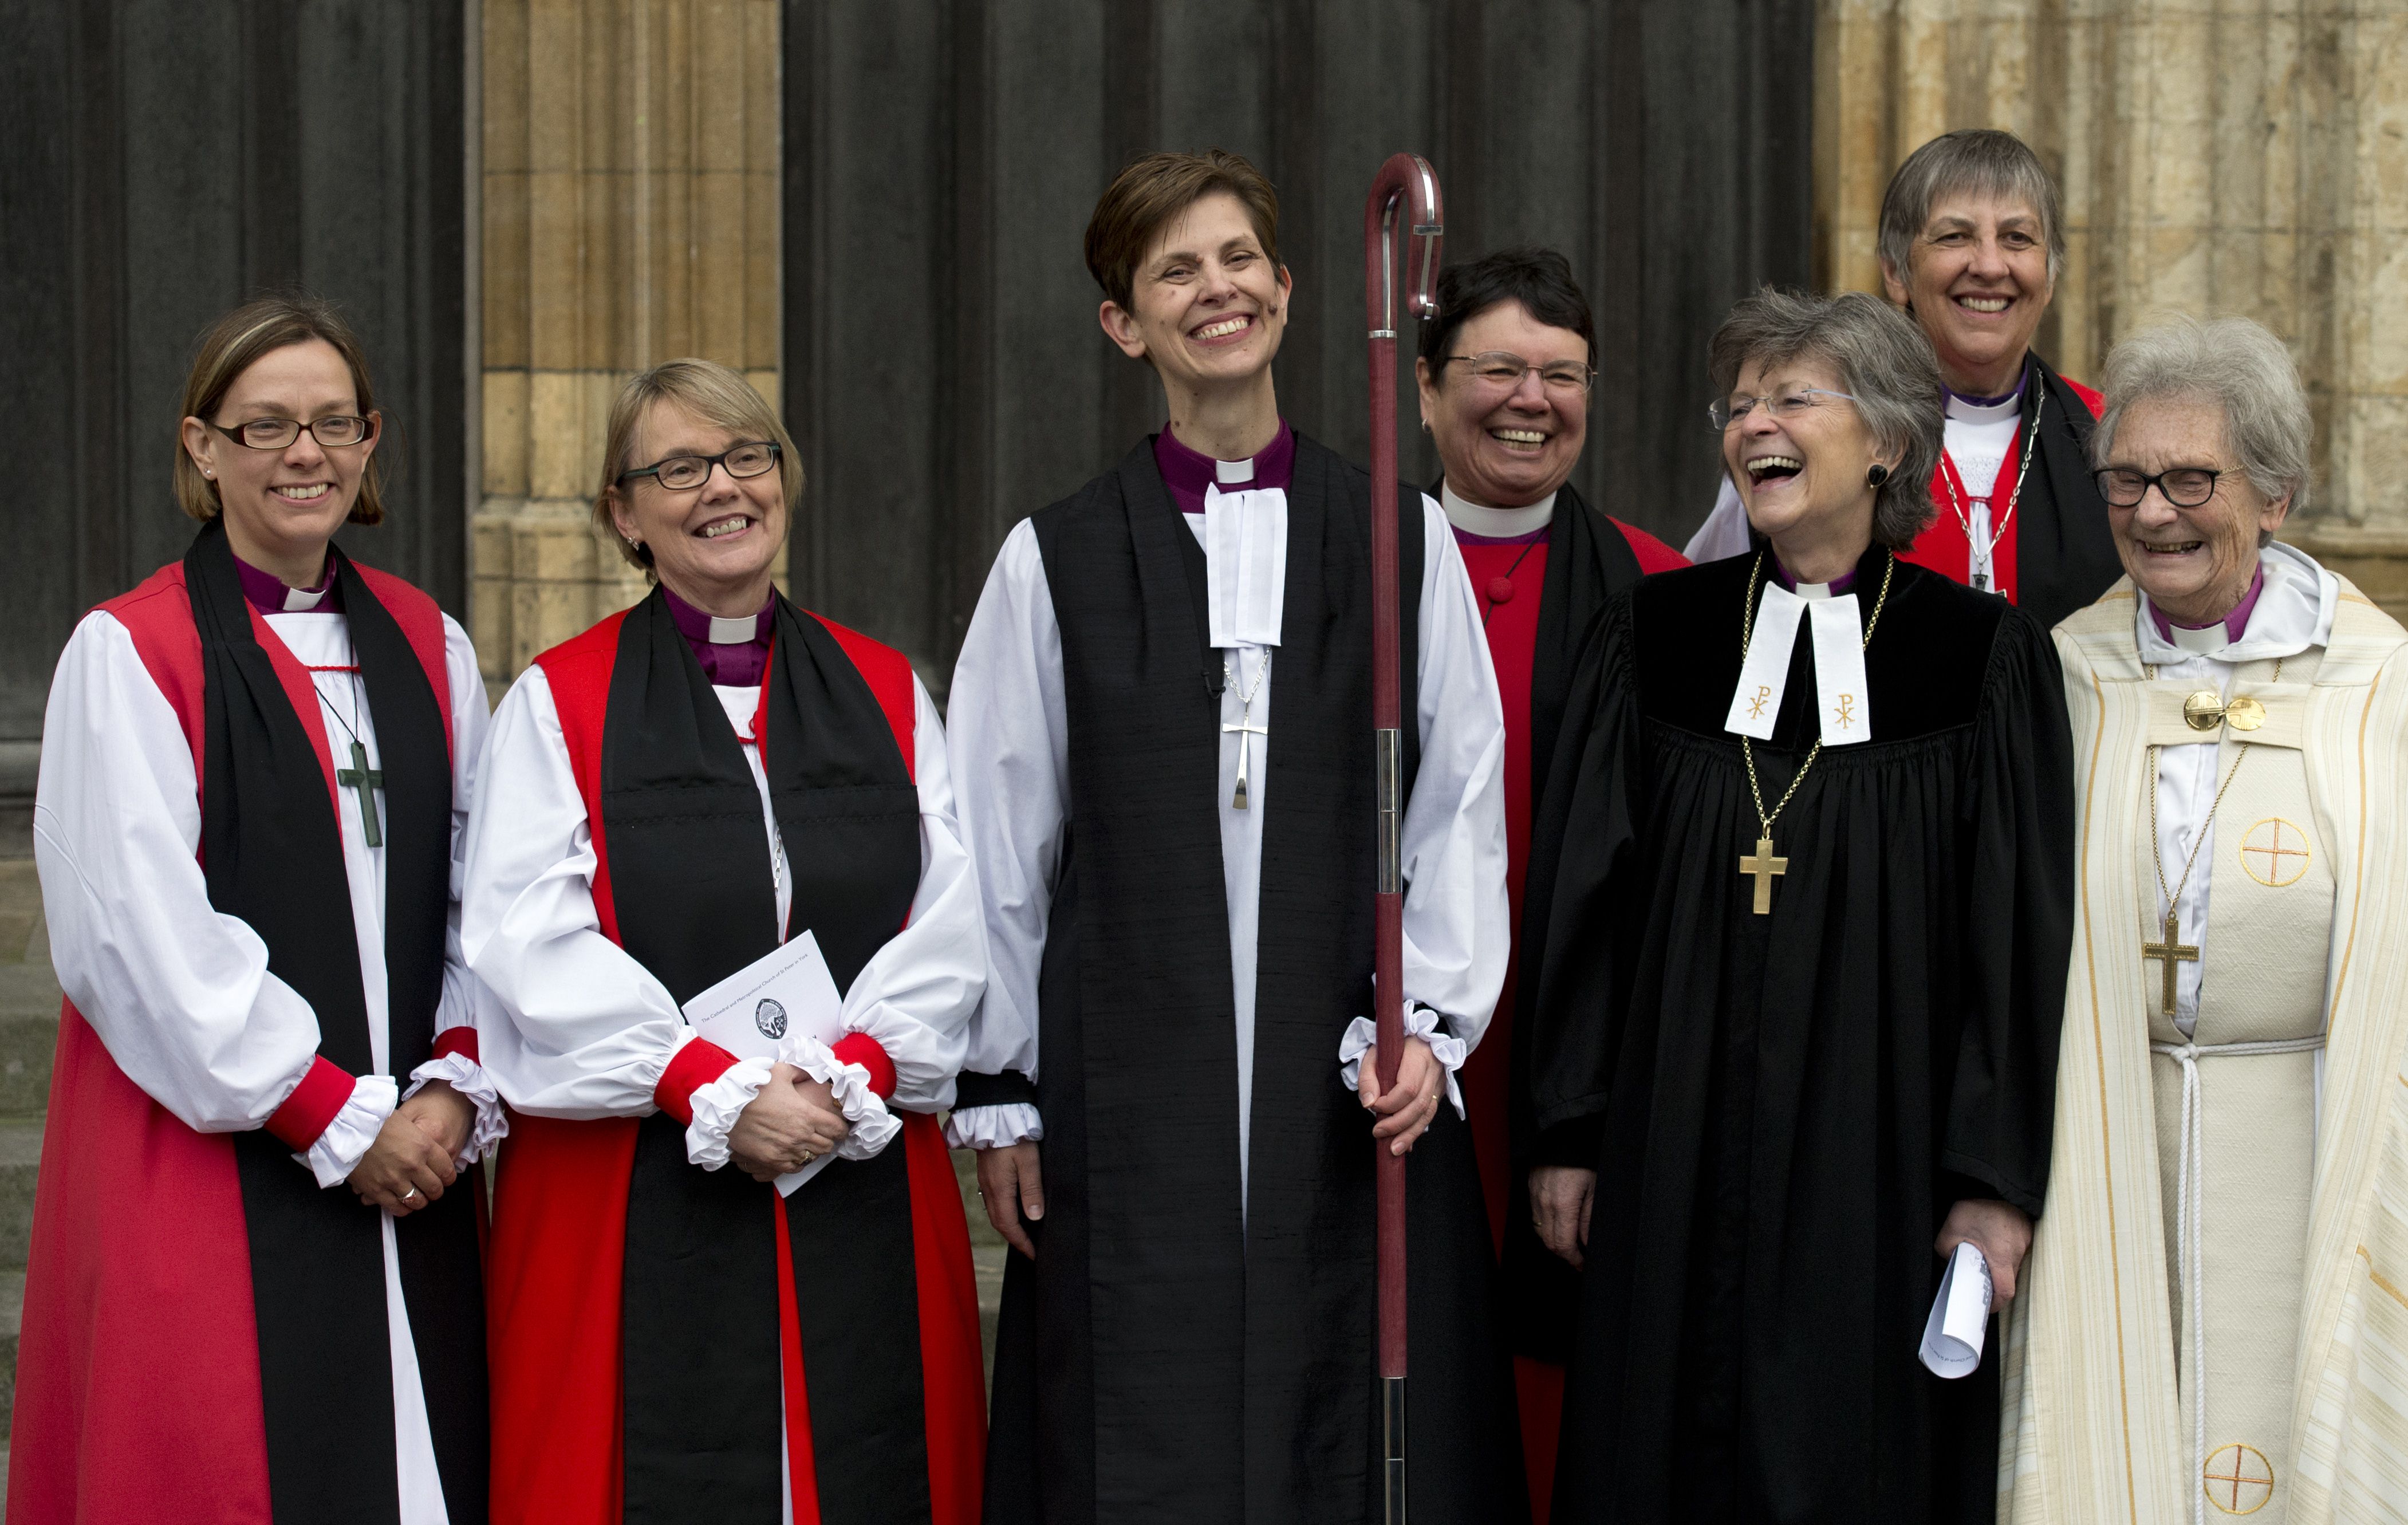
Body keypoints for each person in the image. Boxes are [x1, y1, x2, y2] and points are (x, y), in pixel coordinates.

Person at [947, 149, 1524, 1522]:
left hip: (1344, 1062)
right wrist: (999, 1082)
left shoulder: (1397, 536)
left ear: (1285, 286)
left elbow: (1458, 799)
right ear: (1122, 323)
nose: (1216, 290)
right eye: (1174, 271)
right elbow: (994, 834)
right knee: (1143, 1401)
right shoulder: (1050, 557)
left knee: (1342, 1400)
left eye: (1236, 259)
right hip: (1130, 1071)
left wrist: (1423, 1020)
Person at [1526, 288, 2075, 1522]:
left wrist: (1989, 1178)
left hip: (1875, 1151)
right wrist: (1568, 1128)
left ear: (1886, 438)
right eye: (1737, 405)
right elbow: (1585, 900)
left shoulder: (1980, 660)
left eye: (1790, 398)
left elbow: (2014, 941)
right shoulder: (1652, 635)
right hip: (1669, 1141)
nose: (1752, 425)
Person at [464, 360, 987, 1524]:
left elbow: (953, 916)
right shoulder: (558, 702)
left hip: (852, 1148)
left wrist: (859, 1066)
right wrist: (703, 1080)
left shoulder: (886, 688)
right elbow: (524, 934)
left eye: (747, 456)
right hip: (637, 1176)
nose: (722, 487)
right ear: (622, 513)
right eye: (679, 467)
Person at [13, 294, 502, 1522]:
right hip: (221, 1158)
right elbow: (135, 936)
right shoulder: (131, 653)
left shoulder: (430, 642)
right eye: (267, 425)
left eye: (336, 423)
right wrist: (333, 1112)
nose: (306, 454)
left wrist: (452, 1080)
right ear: (202, 445)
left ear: (370, 441)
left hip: (419, 1156)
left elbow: (481, 891)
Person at [2000, 317, 2408, 1523]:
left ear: (2273, 495)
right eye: (2125, 479)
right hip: (2102, 1134)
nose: (2152, 512)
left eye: (2191, 479)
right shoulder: (2061, 675)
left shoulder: (2376, 683)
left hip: (2302, 1131)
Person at [1412, 245, 1685, 1522]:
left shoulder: (1664, 591)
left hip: (1582, 1050)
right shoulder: (1350, 571)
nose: (1531, 399)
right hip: (1397, 1048)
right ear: (1425, 387)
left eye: (1562, 374)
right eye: (1498, 369)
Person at [1685, 129, 2120, 632]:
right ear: (1895, 272)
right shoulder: (1809, 434)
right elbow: (1717, 610)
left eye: (2017, 238)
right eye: (1954, 236)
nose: (1988, 265)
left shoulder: (2111, 434)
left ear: (2050, 275)